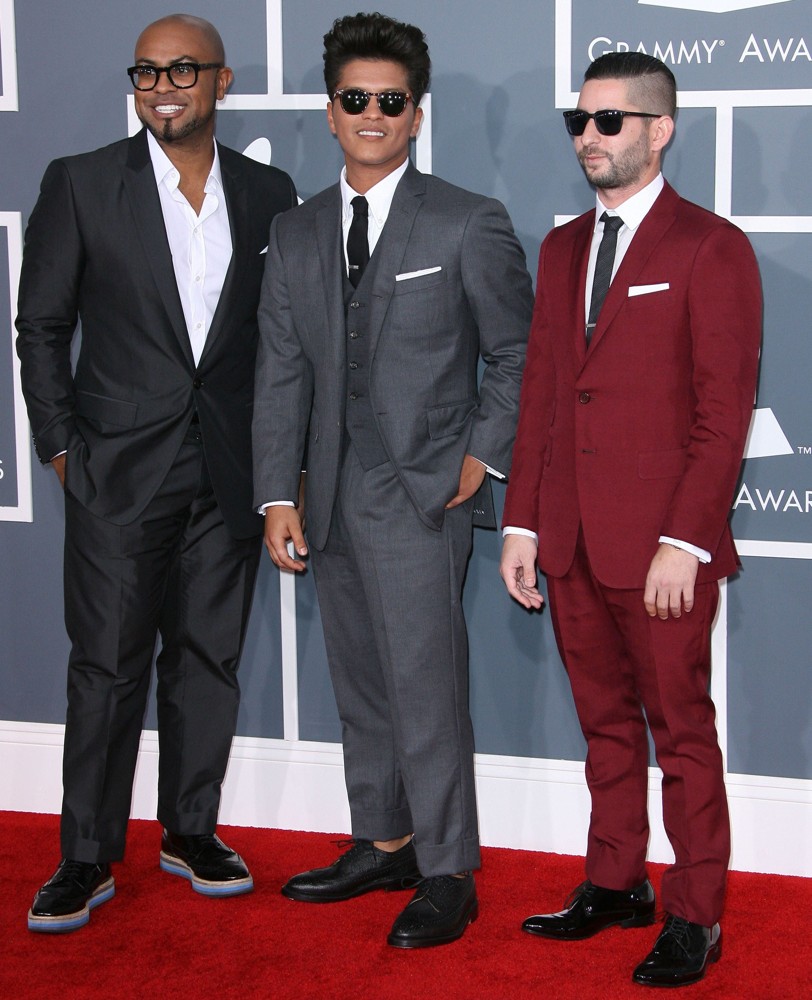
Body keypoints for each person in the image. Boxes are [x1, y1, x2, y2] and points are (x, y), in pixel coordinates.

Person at [253, 12, 532, 949]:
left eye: (390, 100)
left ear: (415, 114)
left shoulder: (464, 218)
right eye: (353, 99)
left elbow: (516, 354)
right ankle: (386, 839)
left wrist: (480, 454)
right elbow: (281, 371)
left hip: (420, 493)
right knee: (362, 682)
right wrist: (277, 493)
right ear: (329, 113)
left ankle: (450, 869)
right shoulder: (294, 233)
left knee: (424, 685)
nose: (370, 113)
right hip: (326, 493)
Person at [16, 13, 296, 933]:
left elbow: (274, 338)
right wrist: (62, 449)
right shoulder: (83, 183)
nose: (162, 85)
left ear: (220, 84)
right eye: (146, 71)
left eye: (183, 70)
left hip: (227, 470)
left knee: (207, 661)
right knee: (105, 668)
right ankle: (85, 855)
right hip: (116, 473)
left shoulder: (268, 192)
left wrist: (272, 465)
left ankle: (190, 831)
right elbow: (42, 327)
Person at [500, 52, 761, 988]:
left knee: (681, 733)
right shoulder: (561, 247)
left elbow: (721, 415)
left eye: (611, 122)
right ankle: (616, 883)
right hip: (567, 539)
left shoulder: (710, 247)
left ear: (660, 130)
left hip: (660, 552)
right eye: (581, 119)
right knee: (604, 727)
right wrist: (521, 523)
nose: (588, 138)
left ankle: (697, 912)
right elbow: (542, 396)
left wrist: (684, 542)